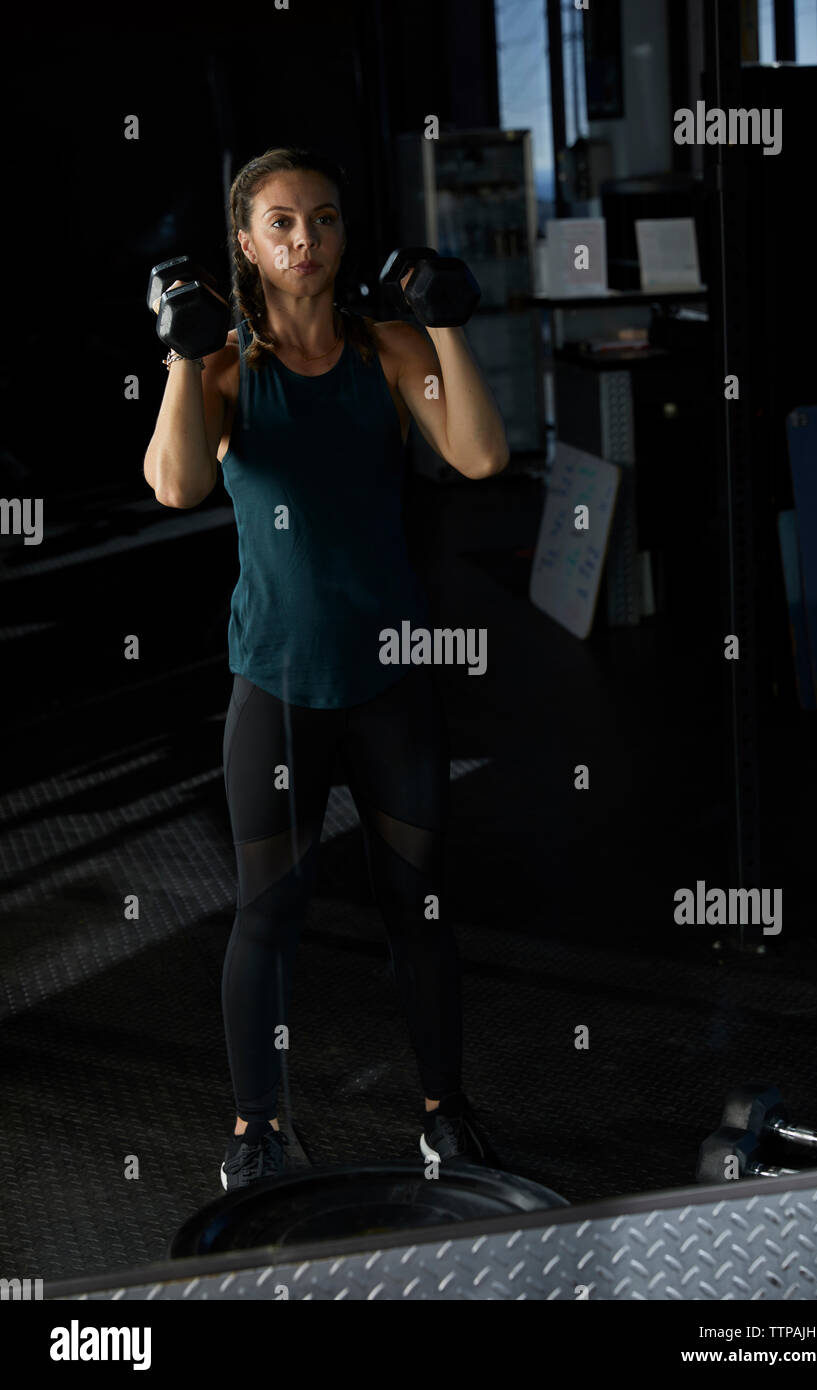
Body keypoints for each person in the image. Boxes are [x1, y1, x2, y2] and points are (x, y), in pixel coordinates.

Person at [143, 146, 510, 1192]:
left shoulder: (389, 349)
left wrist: (444, 322)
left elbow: (479, 456)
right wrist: (180, 353)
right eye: (281, 223)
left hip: (390, 683)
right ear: (248, 247)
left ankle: (444, 1112)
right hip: (277, 687)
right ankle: (256, 1129)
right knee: (270, 910)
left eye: (324, 219)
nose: (306, 240)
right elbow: (173, 486)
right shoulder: (224, 370)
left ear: (345, 234)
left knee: (417, 903)